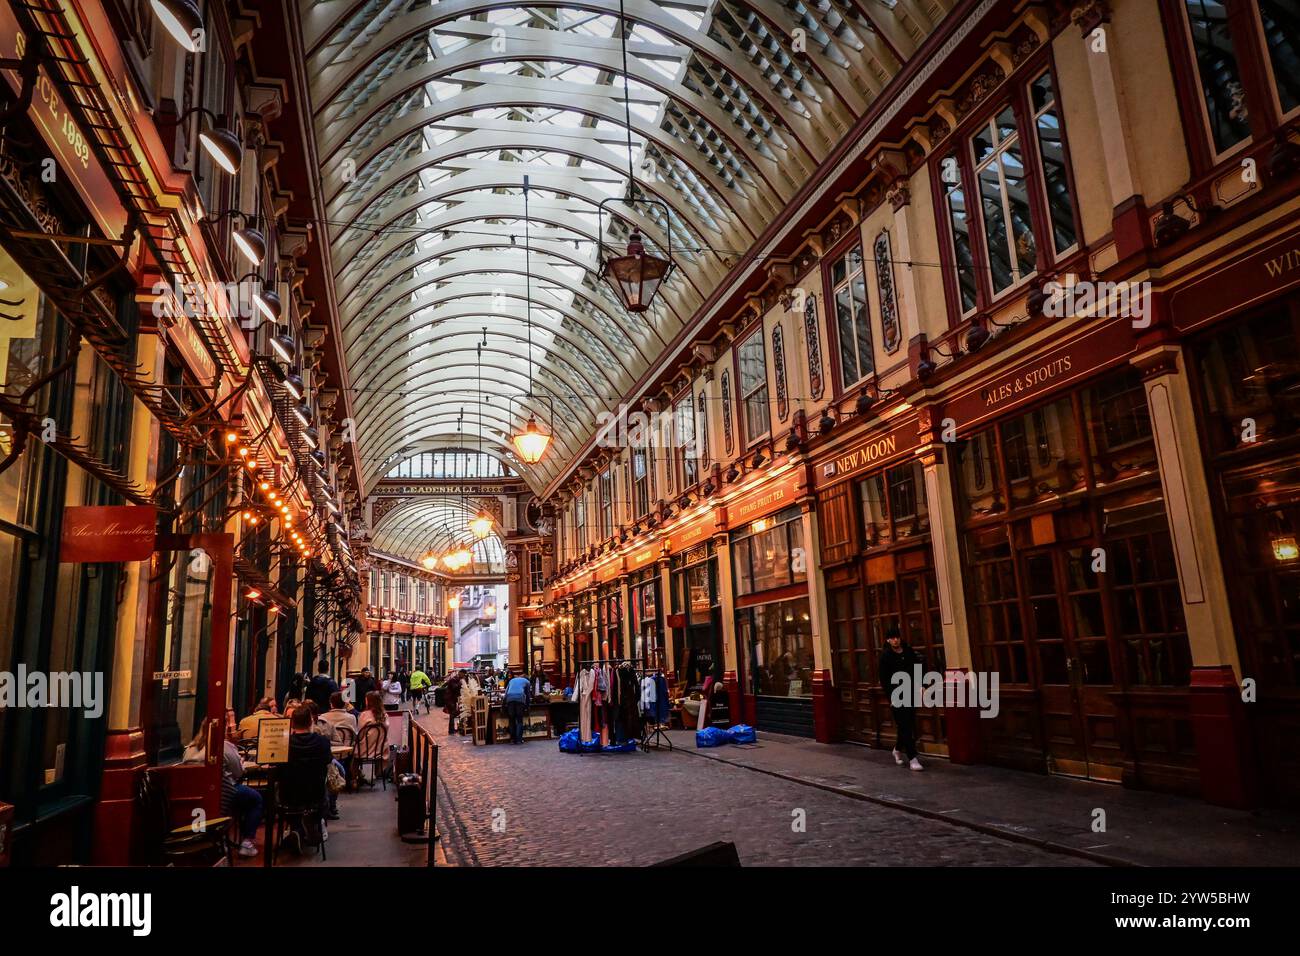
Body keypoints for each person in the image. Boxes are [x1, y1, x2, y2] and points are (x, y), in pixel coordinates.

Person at [181, 725, 262, 858]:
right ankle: (247, 842)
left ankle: (215, 838)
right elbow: (238, 772)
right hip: (224, 792)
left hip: (198, 798)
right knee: (255, 799)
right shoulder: (224, 746)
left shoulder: (189, 749)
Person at [280, 704, 333, 853]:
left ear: (292, 723)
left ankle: (296, 829)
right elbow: (328, 761)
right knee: (324, 791)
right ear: (311, 721)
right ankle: (310, 826)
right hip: (315, 796)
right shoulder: (322, 743)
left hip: (289, 797)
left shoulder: (284, 744)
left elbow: (278, 769)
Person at [878, 625, 924, 771]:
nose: (896, 640)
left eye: (897, 637)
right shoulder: (886, 656)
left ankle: (897, 749)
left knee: (908, 724)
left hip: (911, 692)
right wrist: (891, 697)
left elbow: (917, 668)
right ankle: (912, 758)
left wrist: (921, 685)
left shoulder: (909, 651)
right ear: (888, 640)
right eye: (892, 638)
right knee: (904, 724)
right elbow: (884, 679)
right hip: (897, 695)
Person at [356, 690, 389, 782]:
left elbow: (360, 734)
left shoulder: (364, 715)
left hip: (364, 750)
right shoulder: (385, 715)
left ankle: (355, 777)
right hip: (381, 750)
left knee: (351, 752)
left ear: (368, 701)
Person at [503, 671, 532, 744]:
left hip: (510, 699)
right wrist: (528, 706)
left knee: (511, 720)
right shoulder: (527, 682)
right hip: (519, 699)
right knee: (519, 720)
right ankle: (519, 739)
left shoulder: (512, 680)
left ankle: (512, 740)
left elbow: (506, 693)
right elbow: (528, 695)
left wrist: (503, 705)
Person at [443, 670, 463, 735]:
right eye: (463, 675)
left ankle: (452, 729)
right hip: (450, 699)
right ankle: (451, 730)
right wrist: (461, 684)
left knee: (453, 713)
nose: (464, 676)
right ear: (460, 673)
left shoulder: (456, 679)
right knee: (453, 713)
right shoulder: (454, 679)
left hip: (451, 698)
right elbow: (455, 687)